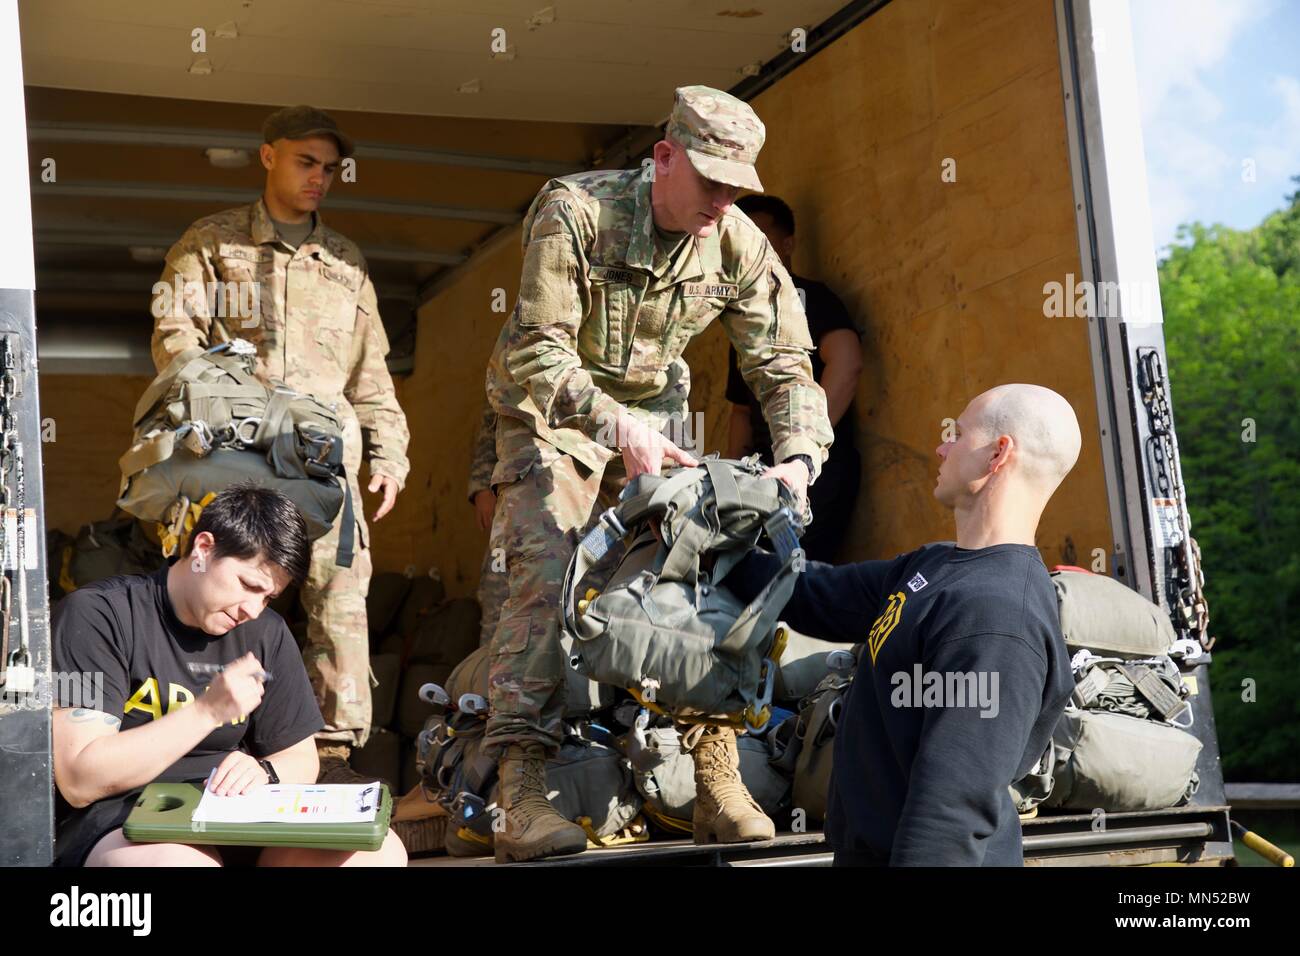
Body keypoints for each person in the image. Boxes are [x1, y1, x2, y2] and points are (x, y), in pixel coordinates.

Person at [482, 85, 834, 862]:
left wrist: (799, 461)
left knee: (697, 573)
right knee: (543, 571)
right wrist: (614, 428)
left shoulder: (740, 244)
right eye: (709, 181)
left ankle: (712, 771)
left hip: (660, 424)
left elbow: (784, 366)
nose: (721, 202)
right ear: (664, 158)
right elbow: (536, 350)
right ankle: (520, 786)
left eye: (735, 188)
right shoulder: (576, 210)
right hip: (552, 414)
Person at [150, 105, 411, 784]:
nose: (319, 177)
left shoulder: (346, 263)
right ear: (268, 156)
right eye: (305, 161)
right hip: (236, 455)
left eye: (330, 168)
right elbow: (175, 341)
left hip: (324, 465)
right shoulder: (212, 242)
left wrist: (388, 457)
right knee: (223, 595)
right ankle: (196, 741)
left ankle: (328, 758)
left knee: (339, 604)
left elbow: (371, 376)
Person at [727, 383, 1081, 865]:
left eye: (958, 435)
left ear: (998, 454)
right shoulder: (933, 567)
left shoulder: (996, 617)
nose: (941, 446)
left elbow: (951, 811)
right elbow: (812, 593)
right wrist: (707, 536)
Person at [50, 485, 407, 867]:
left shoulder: (265, 631)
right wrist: (206, 712)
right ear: (203, 549)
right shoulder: (98, 615)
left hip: (235, 818)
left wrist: (265, 771)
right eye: (249, 585)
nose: (253, 609)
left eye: (269, 597)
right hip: (129, 821)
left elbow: (300, 757)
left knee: (381, 852)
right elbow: (79, 780)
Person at [723, 194, 862, 562]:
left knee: (799, 575)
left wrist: (807, 450)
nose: (749, 245)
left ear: (788, 243)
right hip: (759, 473)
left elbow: (846, 364)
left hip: (813, 471)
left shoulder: (810, 298)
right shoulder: (742, 319)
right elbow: (740, 410)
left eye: (760, 235)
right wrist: (728, 479)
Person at [467, 399, 508, 647]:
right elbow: (490, 427)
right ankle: (489, 679)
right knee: (498, 597)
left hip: (582, 505)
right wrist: (482, 488)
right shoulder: (511, 367)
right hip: (512, 510)